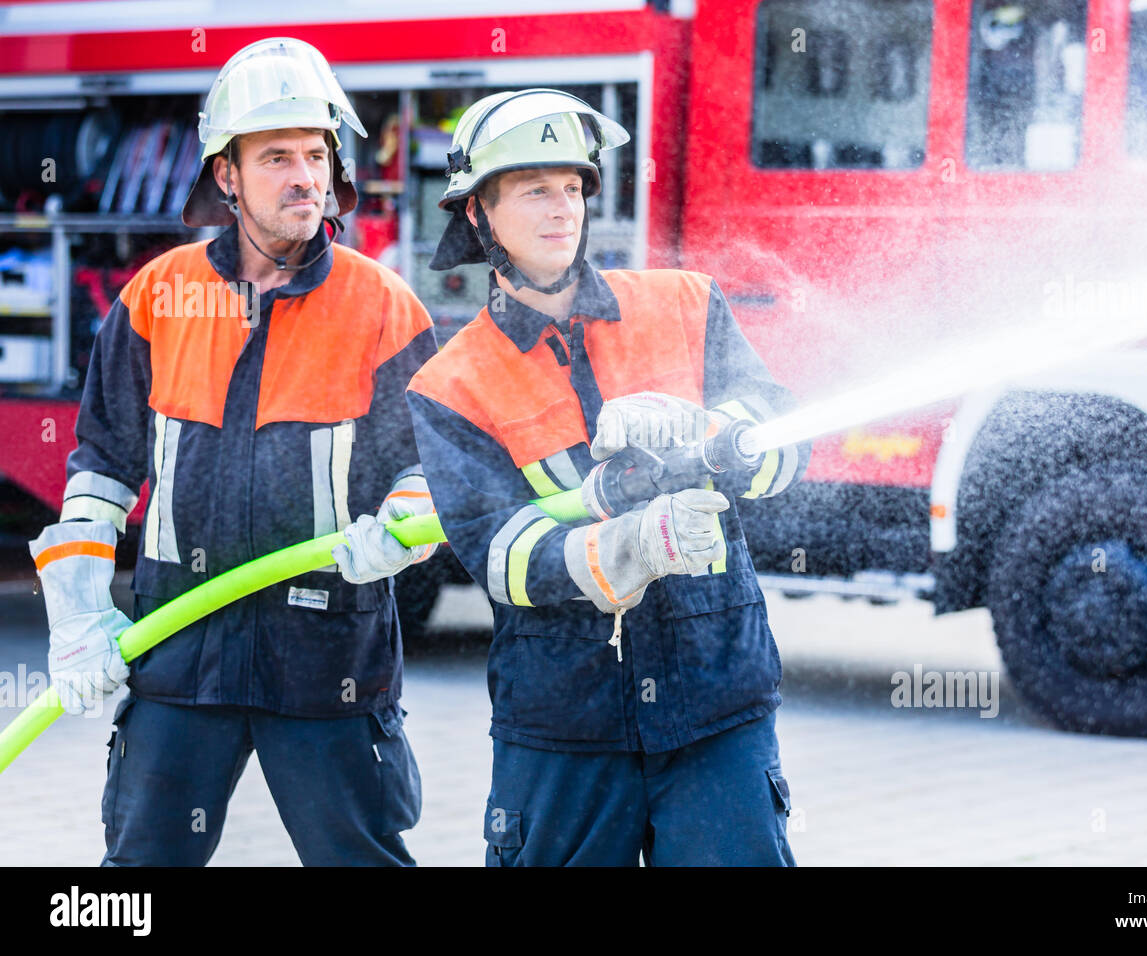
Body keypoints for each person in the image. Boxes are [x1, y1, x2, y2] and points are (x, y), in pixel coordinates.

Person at [28, 37, 437, 866]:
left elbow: (426, 467)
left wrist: (401, 527)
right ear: (226, 175)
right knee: (137, 874)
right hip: (182, 655)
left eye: (317, 155)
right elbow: (100, 468)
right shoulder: (159, 296)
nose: (304, 176)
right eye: (276, 155)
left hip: (330, 665)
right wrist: (74, 610)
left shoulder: (382, 306)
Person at [405, 89, 810, 866]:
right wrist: (632, 548)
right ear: (479, 216)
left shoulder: (684, 303)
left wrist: (720, 432)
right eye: (533, 189)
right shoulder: (453, 384)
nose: (562, 208)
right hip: (565, 727)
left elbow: (789, 445)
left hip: (715, 706)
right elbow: (499, 554)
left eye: (571, 186)